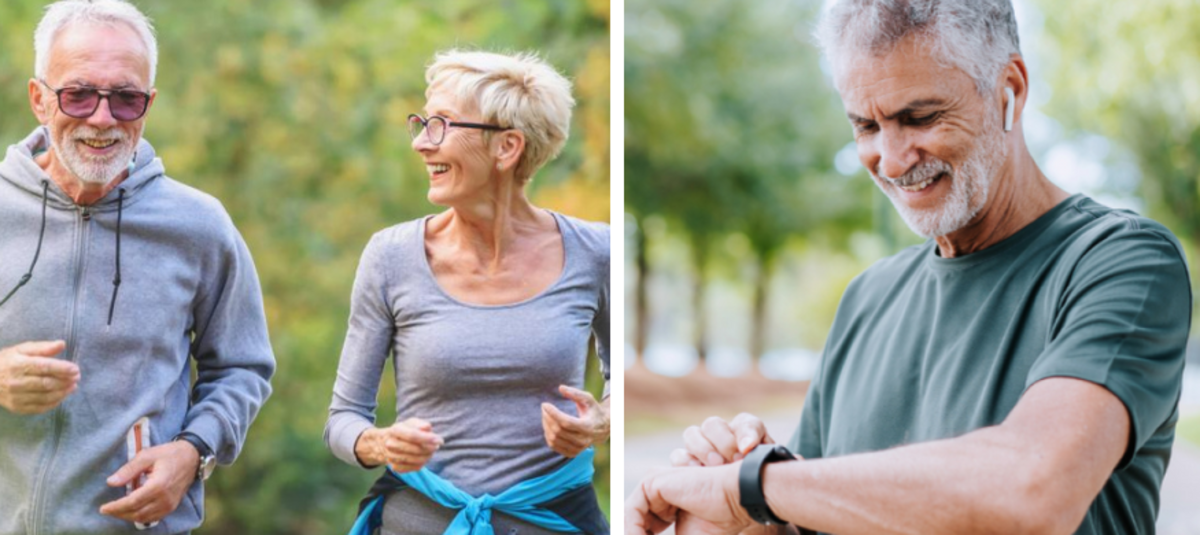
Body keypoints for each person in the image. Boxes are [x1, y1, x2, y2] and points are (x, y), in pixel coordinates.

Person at [627, 1, 1191, 534]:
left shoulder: (1123, 262)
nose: (892, 160)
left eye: (919, 117)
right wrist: (740, 508)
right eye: (866, 127)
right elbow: (810, 517)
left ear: (1009, 91)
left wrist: (755, 483)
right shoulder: (869, 296)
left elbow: (1032, 492)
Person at [0, 1, 276, 534]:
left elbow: (243, 368)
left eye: (125, 98)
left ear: (147, 104)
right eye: (78, 94)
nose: (102, 119)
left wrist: (194, 453)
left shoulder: (199, 224)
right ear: (39, 98)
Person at [325, 49, 611, 535]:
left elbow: (619, 382)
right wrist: (380, 444)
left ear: (507, 148)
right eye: (421, 123)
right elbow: (344, 420)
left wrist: (602, 421)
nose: (420, 143)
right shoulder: (391, 256)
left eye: (441, 124)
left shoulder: (596, 251)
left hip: (557, 519)